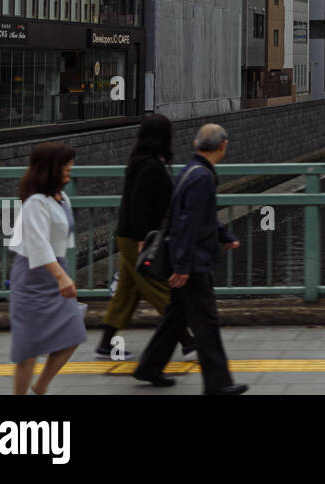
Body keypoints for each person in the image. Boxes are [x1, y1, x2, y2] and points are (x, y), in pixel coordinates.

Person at [133, 123, 247, 394]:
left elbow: (196, 217)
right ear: (224, 145)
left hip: (186, 256)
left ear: (196, 144)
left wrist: (224, 235)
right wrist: (183, 266)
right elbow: (188, 223)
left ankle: (149, 367)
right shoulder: (203, 177)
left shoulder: (189, 170)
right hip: (193, 262)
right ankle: (218, 384)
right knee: (207, 322)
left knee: (176, 316)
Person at [95, 114, 195, 359]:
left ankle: (105, 344)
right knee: (159, 288)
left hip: (131, 236)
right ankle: (188, 341)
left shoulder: (142, 163)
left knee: (126, 293)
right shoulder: (151, 167)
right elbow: (139, 205)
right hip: (138, 239)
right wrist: (142, 239)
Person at [9, 142, 89, 395]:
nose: (69, 171)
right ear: (51, 169)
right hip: (32, 278)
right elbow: (38, 243)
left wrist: (63, 274)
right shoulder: (36, 202)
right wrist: (62, 276)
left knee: (74, 332)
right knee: (28, 349)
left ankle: (41, 385)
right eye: (66, 167)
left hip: (55, 271)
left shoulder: (61, 198)